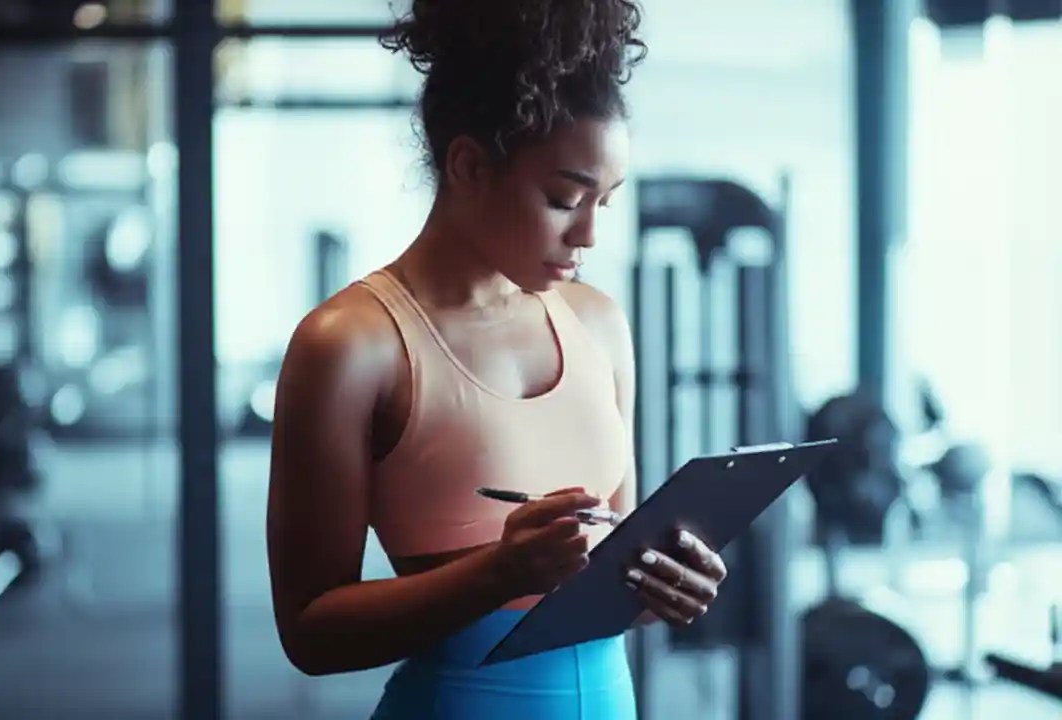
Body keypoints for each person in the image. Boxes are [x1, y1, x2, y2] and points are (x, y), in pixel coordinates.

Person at [266, 1, 728, 717]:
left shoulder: (598, 324)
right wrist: (498, 572)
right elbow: (309, 633)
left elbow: (615, 576)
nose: (589, 235)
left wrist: (667, 584)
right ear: (470, 166)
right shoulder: (350, 344)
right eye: (563, 198)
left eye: (606, 202)